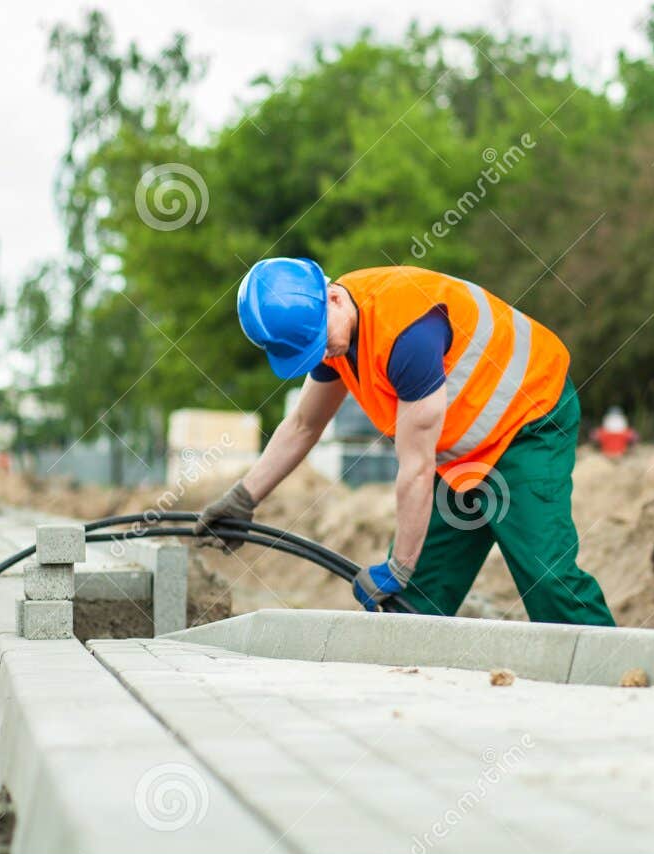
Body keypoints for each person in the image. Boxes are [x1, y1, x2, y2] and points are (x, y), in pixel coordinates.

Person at [198, 259, 615, 625]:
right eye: (310, 350)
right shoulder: (333, 332)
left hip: (529, 419)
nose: (322, 353)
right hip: (463, 450)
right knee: (414, 599)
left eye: (319, 341)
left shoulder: (408, 334)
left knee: (546, 575)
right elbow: (306, 423)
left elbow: (416, 467)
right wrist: (244, 497)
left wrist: (399, 566)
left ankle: (615, 678)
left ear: (334, 297)